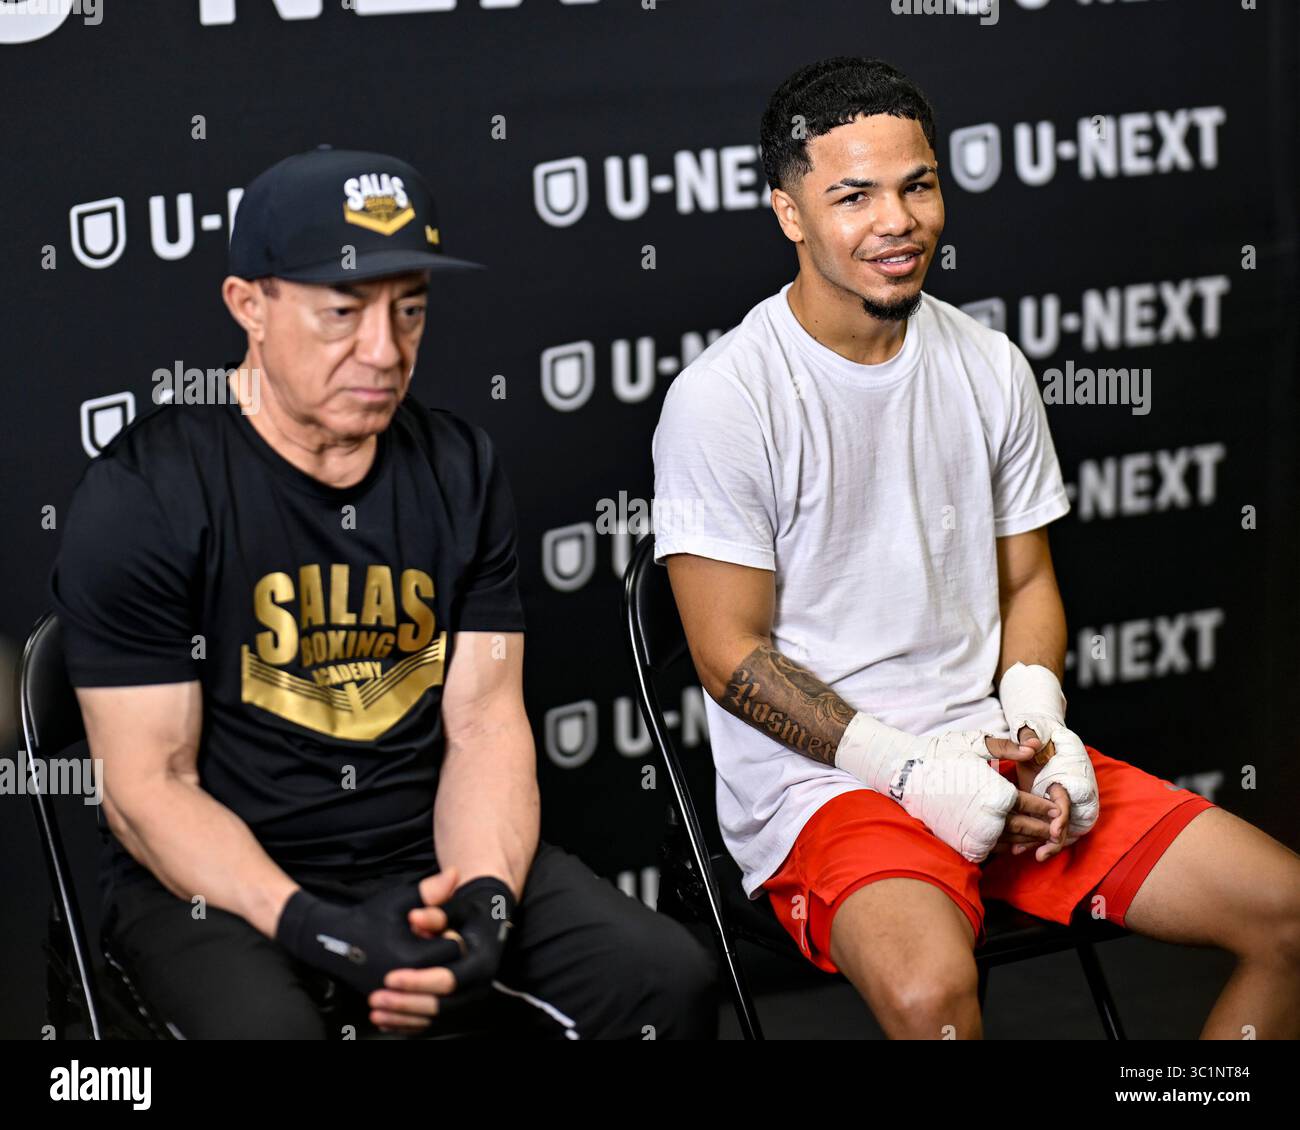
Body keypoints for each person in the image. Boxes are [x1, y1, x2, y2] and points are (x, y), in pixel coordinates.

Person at [651, 57, 1300, 1039]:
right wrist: (911, 772)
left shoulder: (989, 363)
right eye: (853, 196)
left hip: (996, 754)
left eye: (917, 186)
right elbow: (727, 654)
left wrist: (1038, 723)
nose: (897, 221)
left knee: (1287, 913)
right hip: (830, 785)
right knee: (932, 999)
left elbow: (1026, 580)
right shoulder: (724, 397)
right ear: (790, 214)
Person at [51, 146, 716, 1040]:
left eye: (410, 310)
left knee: (661, 978)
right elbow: (147, 789)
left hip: (421, 857)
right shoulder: (147, 492)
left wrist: (485, 903)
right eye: (341, 312)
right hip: (214, 886)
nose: (383, 351)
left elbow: (483, 727)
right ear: (248, 305)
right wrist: (314, 926)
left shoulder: (457, 467)